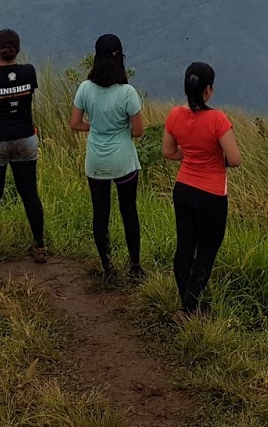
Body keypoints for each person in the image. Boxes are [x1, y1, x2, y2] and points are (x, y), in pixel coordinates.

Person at [161, 61, 242, 318]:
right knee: (206, 250)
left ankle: (187, 303)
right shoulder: (218, 119)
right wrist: (213, 156)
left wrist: (192, 153)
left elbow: (168, 152)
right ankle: (188, 308)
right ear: (208, 89)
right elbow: (235, 158)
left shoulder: (174, 115)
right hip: (211, 194)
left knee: (185, 246)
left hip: (183, 188)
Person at [70, 33, 145, 282]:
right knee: (128, 212)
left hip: (96, 162)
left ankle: (108, 267)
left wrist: (97, 126)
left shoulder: (85, 88)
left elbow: (75, 124)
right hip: (123, 162)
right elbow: (138, 131)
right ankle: (135, 267)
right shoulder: (127, 92)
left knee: (100, 214)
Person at [0, 28, 46, 267]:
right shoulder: (29, 72)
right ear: (18, 48)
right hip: (25, 139)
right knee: (30, 194)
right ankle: (39, 246)